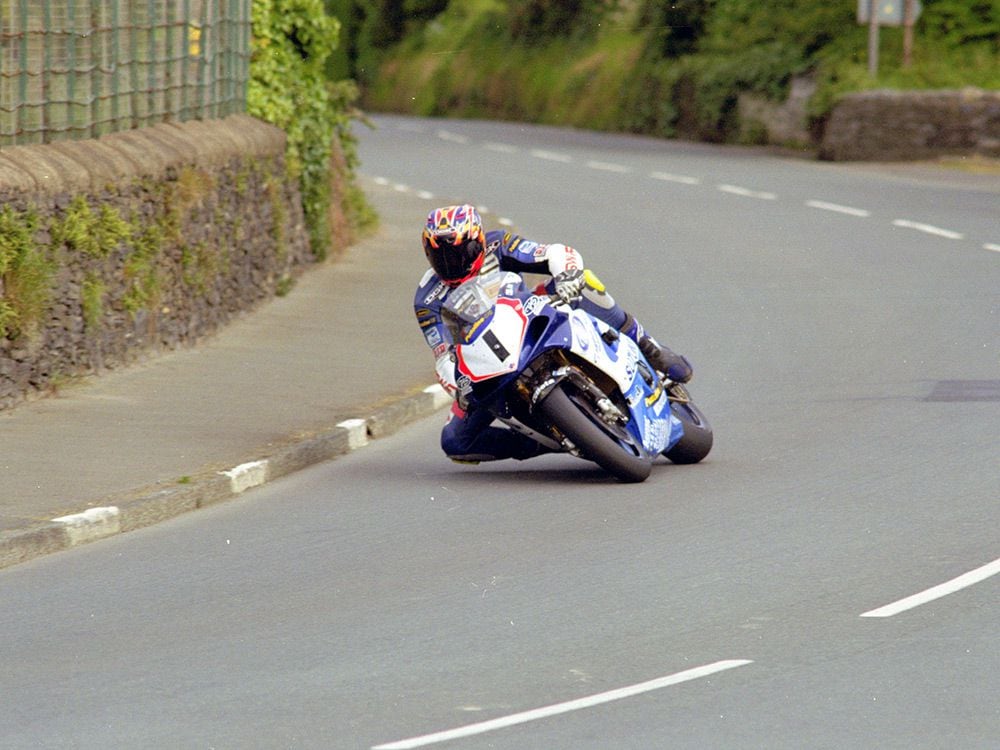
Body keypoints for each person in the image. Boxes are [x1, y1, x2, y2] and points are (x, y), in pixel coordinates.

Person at [414, 204, 692, 463]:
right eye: (442, 257)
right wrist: (458, 385)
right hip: (489, 362)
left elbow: (553, 253)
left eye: (461, 253)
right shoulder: (427, 298)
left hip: (531, 316)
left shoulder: (498, 244)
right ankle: (546, 440)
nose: (452, 263)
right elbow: (442, 354)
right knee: (455, 442)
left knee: (585, 286)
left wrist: (567, 275)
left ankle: (648, 345)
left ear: (478, 241)